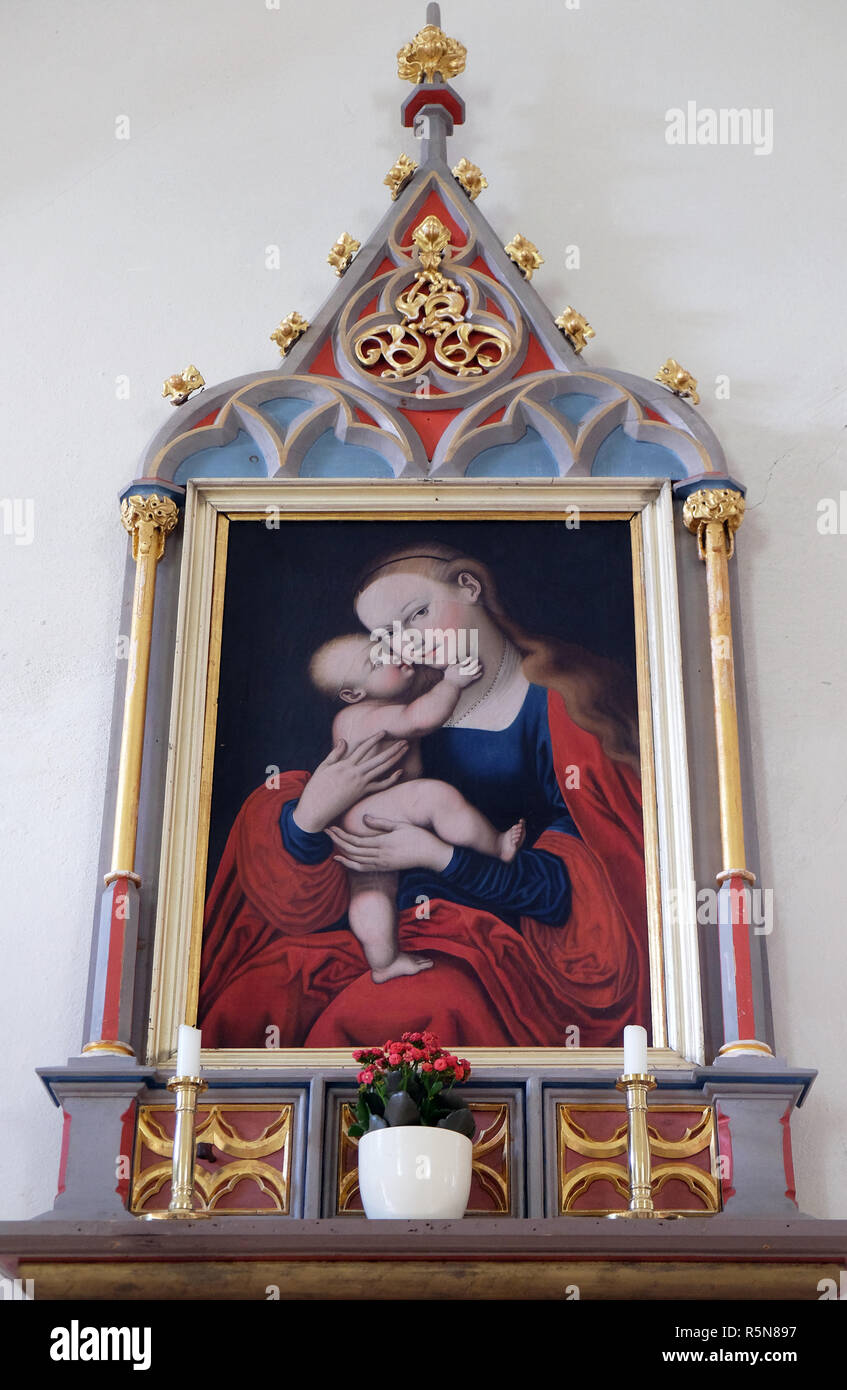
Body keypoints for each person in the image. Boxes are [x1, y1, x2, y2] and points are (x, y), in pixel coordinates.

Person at [198, 542, 650, 1048]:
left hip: (496, 948)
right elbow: (330, 853)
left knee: (404, 1011)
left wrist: (439, 857)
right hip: (387, 932)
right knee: (264, 995)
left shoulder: (568, 712)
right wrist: (306, 817)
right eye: (387, 635)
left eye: (417, 613)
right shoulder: (400, 702)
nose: (407, 642)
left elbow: (578, 890)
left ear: (470, 587)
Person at [308, 632, 525, 982]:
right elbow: (421, 717)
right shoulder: (370, 715)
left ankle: (382, 963)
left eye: (387, 649)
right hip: (377, 807)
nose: (393, 656)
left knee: (372, 890)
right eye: (377, 661)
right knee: (438, 798)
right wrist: (452, 683)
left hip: (354, 822)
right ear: (353, 694)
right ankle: (496, 845)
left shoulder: (349, 717)